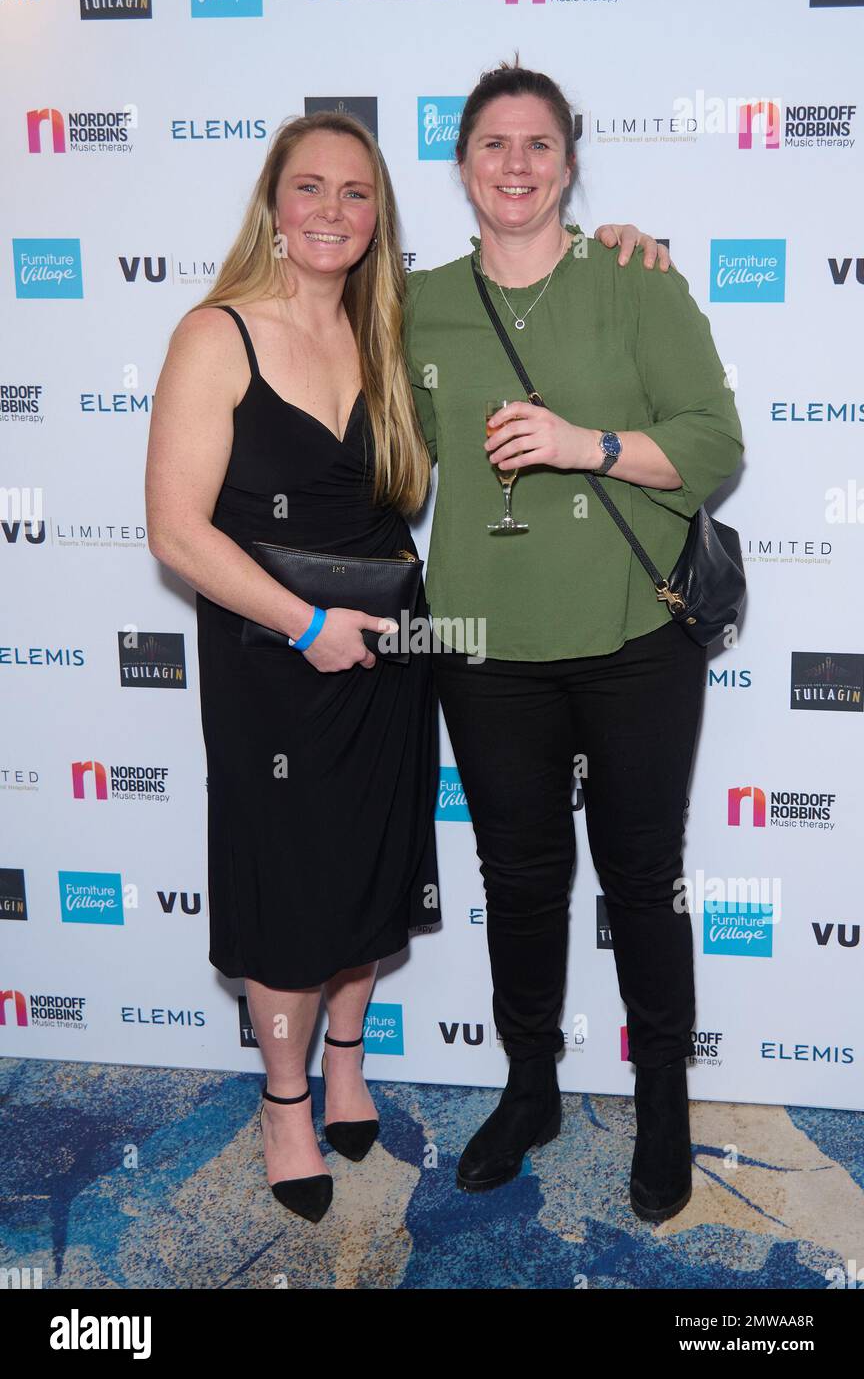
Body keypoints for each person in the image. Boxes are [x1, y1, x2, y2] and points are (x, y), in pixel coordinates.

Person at [403, 62, 744, 1222]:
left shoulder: (636, 281)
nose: (515, 164)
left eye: (537, 144)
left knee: (644, 881)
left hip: (637, 633)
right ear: (461, 166)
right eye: (493, 144)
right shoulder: (421, 305)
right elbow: (383, 456)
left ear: (569, 160)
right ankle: (532, 1086)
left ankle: (663, 1107)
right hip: (485, 644)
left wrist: (586, 444)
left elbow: (711, 443)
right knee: (521, 876)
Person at [145, 112, 440, 1224]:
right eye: (309, 187)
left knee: (371, 872)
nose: (331, 210)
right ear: (274, 201)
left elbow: (529, 284)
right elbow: (177, 530)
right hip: (275, 661)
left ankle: (349, 1063)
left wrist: (628, 241)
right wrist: (305, 623)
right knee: (288, 899)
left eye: (356, 193)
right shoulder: (216, 334)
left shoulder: (392, 333)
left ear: (378, 219)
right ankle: (284, 1100)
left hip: (386, 656)